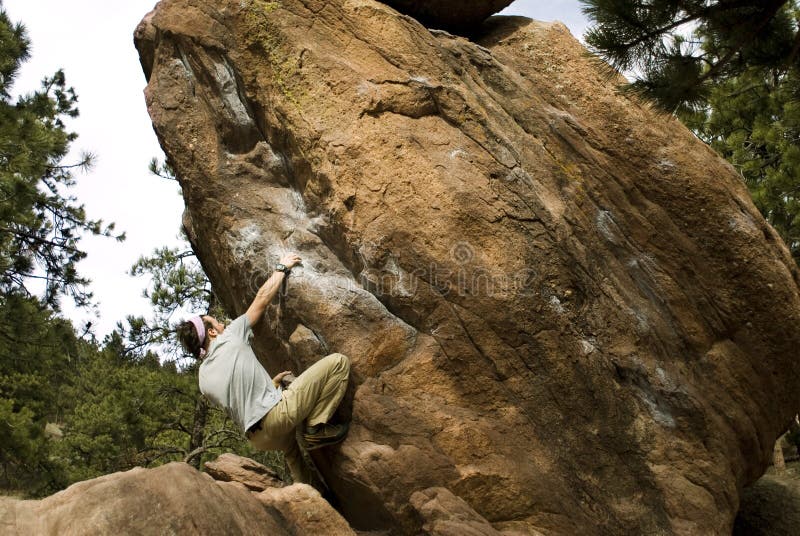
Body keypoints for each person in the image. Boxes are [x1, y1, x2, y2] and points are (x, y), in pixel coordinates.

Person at [176, 252, 350, 483]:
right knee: (339, 362)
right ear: (212, 332)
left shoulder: (203, 379)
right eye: (216, 322)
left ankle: (311, 496)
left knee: (294, 457)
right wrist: (282, 267)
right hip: (275, 417)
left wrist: (271, 386)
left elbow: (238, 394)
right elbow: (262, 299)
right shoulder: (230, 336)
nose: (222, 323)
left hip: (259, 438)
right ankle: (316, 429)